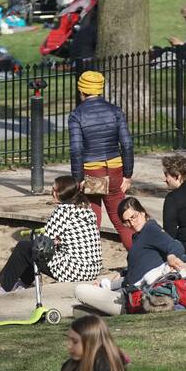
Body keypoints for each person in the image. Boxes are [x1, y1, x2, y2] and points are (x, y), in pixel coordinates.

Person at [74, 197, 186, 316]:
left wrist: (171, 256)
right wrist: (123, 273)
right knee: (79, 310)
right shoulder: (138, 236)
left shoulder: (150, 229)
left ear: (142, 212)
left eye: (133, 217)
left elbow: (176, 245)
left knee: (80, 290)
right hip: (128, 290)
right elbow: (140, 262)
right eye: (126, 221)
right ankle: (98, 310)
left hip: (134, 298)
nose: (132, 223)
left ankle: (116, 310)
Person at [0, 176, 102, 294]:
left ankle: (3, 289)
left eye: (54, 190)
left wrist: (49, 241)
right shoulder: (86, 209)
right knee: (31, 249)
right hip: (92, 268)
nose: (52, 193)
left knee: (24, 247)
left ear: (62, 192)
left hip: (76, 270)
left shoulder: (64, 210)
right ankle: (22, 284)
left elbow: (44, 242)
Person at [69, 71, 135, 250]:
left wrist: (78, 179)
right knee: (121, 218)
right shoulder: (115, 111)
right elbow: (127, 145)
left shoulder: (77, 115)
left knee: (92, 218)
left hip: (92, 171)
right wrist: (127, 175)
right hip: (115, 169)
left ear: (81, 91)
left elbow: (76, 149)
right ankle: (140, 257)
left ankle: (91, 261)